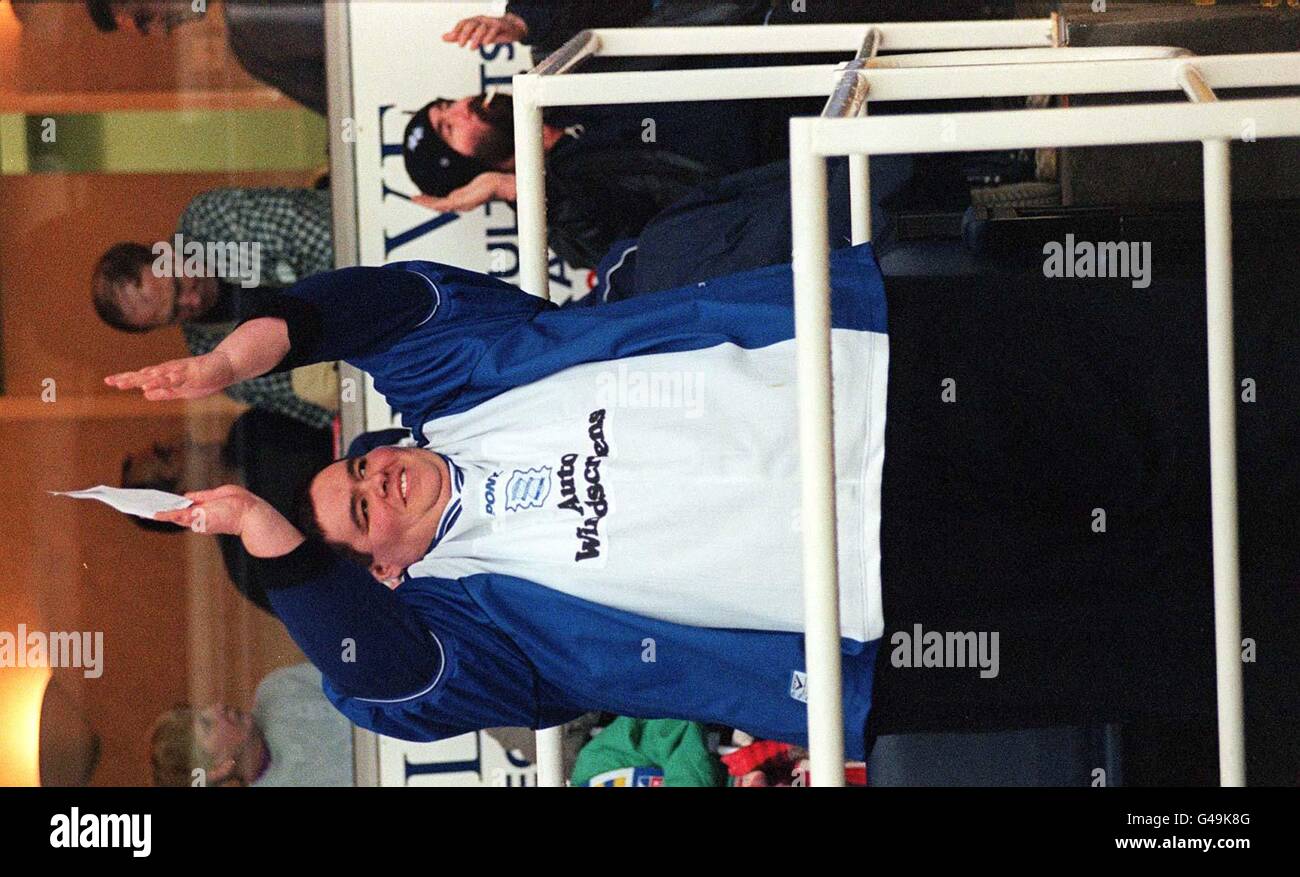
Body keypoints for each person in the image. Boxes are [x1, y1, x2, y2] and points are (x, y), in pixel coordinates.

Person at [105, 246, 1300, 758]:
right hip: (890, 601)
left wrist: (233, 355)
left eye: (359, 465)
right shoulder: (469, 632)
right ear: (385, 569)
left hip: (883, 373)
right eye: (361, 512)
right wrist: (271, 540)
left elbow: (369, 306)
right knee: (1198, 607)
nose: (378, 479)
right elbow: (384, 690)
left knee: (1208, 392)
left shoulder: (460, 378)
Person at [91, 187, 337, 429]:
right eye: (176, 313)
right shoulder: (209, 359)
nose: (192, 302)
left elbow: (332, 239)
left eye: (178, 286)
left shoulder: (210, 221)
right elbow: (328, 409)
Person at [402, 92, 720, 269]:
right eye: (448, 128)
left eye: (446, 105)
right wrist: (517, 190)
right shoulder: (559, 224)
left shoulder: (559, 87)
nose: (462, 108)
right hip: (757, 173)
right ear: (468, 171)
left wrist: (525, 22)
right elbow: (632, 235)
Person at [121, 407, 335, 614]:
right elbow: (323, 606)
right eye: (167, 454)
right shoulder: (246, 565)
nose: (183, 438)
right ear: (182, 496)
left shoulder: (252, 429)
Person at [149, 663, 353, 787]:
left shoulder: (277, 689)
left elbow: (353, 677)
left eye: (204, 711)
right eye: (208, 724)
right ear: (219, 768)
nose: (218, 707)